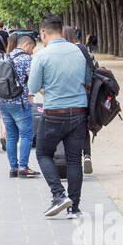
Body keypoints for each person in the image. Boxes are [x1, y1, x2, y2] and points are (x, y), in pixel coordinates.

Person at [29, 14, 92, 218]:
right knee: (74, 159)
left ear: (43, 33)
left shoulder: (42, 55)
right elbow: (88, 78)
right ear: (62, 32)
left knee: (43, 153)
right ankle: (75, 207)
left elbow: (33, 87)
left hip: (55, 111)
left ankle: (58, 194)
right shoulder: (78, 51)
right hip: (79, 111)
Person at [2, 33, 38, 178]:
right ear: (26, 45)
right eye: (32, 48)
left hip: (4, 102)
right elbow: (33, 81)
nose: (32, 51)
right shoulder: (26, 59)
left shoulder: (5, 56)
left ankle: (13, 168)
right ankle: (23, 166)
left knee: (11, 136)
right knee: (26, 135)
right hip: (20, 103)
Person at [62, 26, 96, 174]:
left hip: (65, 94)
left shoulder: (63, 52)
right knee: (83, 126)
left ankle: (68, 158)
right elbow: (92, 70)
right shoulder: (83, 50)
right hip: (84, 93)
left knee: (65, 126)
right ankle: (87, 155)